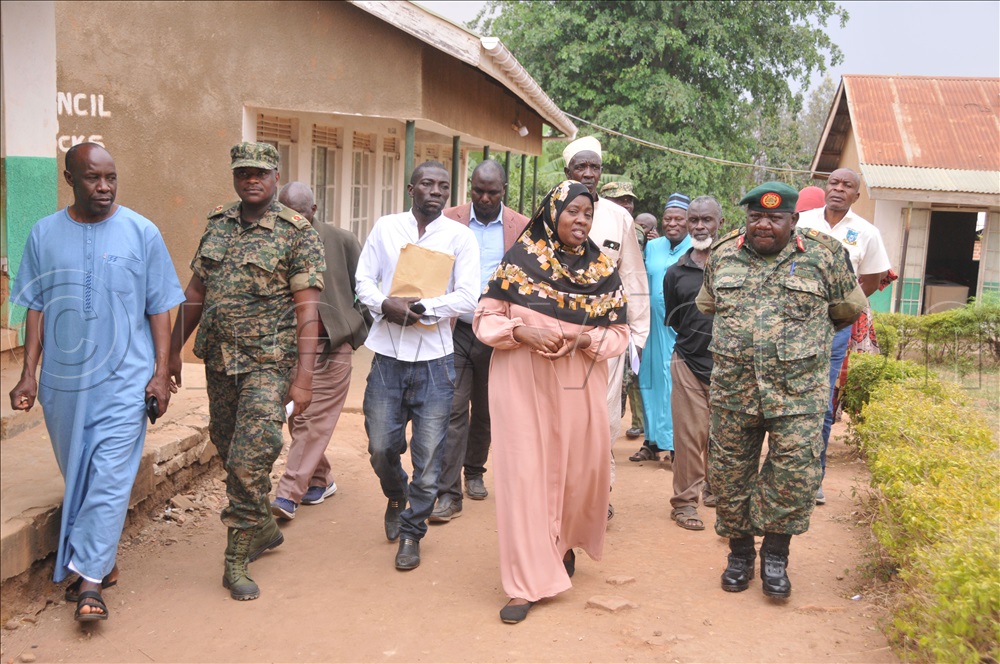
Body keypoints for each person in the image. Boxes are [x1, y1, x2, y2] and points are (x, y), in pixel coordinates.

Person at [9, 143, 185, 621]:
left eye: (111, 178)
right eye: (93, 178)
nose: (104, 187)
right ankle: (102, 562)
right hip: (63, 387)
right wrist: (29, 374)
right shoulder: (44, 234)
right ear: (70, 179)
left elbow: (160, 307)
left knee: (110, 478)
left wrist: (161, 374)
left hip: (125, 381)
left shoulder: (142, 231)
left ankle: (88, 584)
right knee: (81, 476)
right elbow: (36, 308)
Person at [168, 142, 326, 601]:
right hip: (219, 360)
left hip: (268, 364)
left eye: (260, 172)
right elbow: (195, 291)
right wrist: (170, 353)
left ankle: (236, 557)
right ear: (235, 177)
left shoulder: (297, 233)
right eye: (243, 173)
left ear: (275, 176)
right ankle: (260, 526)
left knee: (248, 457)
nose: (251, 180)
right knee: (226, 446)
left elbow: (308, 312)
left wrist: (304, 377)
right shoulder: (218, 224)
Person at [697, 182, 866, 599]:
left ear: (794, 219)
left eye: (775, 218)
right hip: (735, 390)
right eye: (756, 217)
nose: (764, 225)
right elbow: (709, 306)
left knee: (793, 474)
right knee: (729, 474)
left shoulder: (825, 255)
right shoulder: (723, 255)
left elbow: (846, 310)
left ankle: (775, 555)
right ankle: (739, 555)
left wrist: (797, 347)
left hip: (798, 392)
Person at [474, 180, 630, 624]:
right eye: (572, 212)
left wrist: (582, 337)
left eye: (587, 214)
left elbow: (619, 334)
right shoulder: (519, 261)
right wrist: (521, 331)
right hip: (521, 379)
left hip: (577, 383)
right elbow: (484, 318)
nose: (580, 221)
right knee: (525, 474)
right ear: (552, 213)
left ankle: (559, 544)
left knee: (574, 470)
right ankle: (524, 583)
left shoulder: (602, 271)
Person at [355, 161, 479, 570]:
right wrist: (385, 306)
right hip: (389, 358)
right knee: (380, 447)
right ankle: (395, 492)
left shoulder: (460, 237)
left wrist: (424, 307)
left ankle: (412, 532)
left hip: (436, 362)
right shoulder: (386, 227)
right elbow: (363, 281)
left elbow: (468, 297)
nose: (436, 191)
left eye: (443, 186)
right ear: (411, 188)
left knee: (429, 459)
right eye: (427, 183)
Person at [428, 161, 529, 522]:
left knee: (486, 409)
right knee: (453, 408)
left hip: (498, 332)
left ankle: (474, 470)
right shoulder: (450, 219)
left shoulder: (521, 226)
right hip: (456, 329)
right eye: (478, 191)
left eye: (492, 192)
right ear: (470, 187)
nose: (484, 198)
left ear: (504, 189)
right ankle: (448, 493)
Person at [270, 182, 371, 521]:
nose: (291, 219)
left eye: (298, 212)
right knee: (299, 417)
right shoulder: (274, 240)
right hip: (292, 347)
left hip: (333, 345)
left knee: (312, 421)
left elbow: (367, 286)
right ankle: (320, 477)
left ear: (314, 210)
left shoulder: (341, 240)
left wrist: (355, 326)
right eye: (283, 211)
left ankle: (287, 495)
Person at [563, 137, 649, 519]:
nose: (588, 173)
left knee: (606, 416)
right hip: (561, 335)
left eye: (594, 167)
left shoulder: (619, 217)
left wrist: (638, 336)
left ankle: (601, 489)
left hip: (608, 334)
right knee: (565, 417)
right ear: (568, 173)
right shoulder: (550, 211)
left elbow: (633, 276)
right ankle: (565, 491)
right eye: (581, 167)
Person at [796, 169, 890, 504]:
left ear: (856, 195)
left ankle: (813, 478)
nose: (838, 189)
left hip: (833, 330)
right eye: (833, 183)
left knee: (821, 402)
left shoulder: (866, 232)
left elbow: (872, 278)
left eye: (846, 185)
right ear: (825, 188)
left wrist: (842, 307)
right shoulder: (799, 221)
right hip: (791, 325)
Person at [663, 196, 721, 530]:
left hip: (729, 367)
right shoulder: (675, 273)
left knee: (725, 437)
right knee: (688, 438)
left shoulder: (732, 266)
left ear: (720, 224)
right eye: (694, 220)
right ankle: (684, 503)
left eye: (706, 220)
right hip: (687, 361)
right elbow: (674, 320)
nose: (700, 226)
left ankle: (716, 490)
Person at [630, 193, 693, 462]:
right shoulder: (653, 247)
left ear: (689, 221)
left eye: (679, 218)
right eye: (668, 218)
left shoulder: (696, 247)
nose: (673, 223)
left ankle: (675, 445)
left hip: (679, 326)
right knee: (649, 379)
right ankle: (652, 442)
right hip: (651, 325)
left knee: (674, 383)